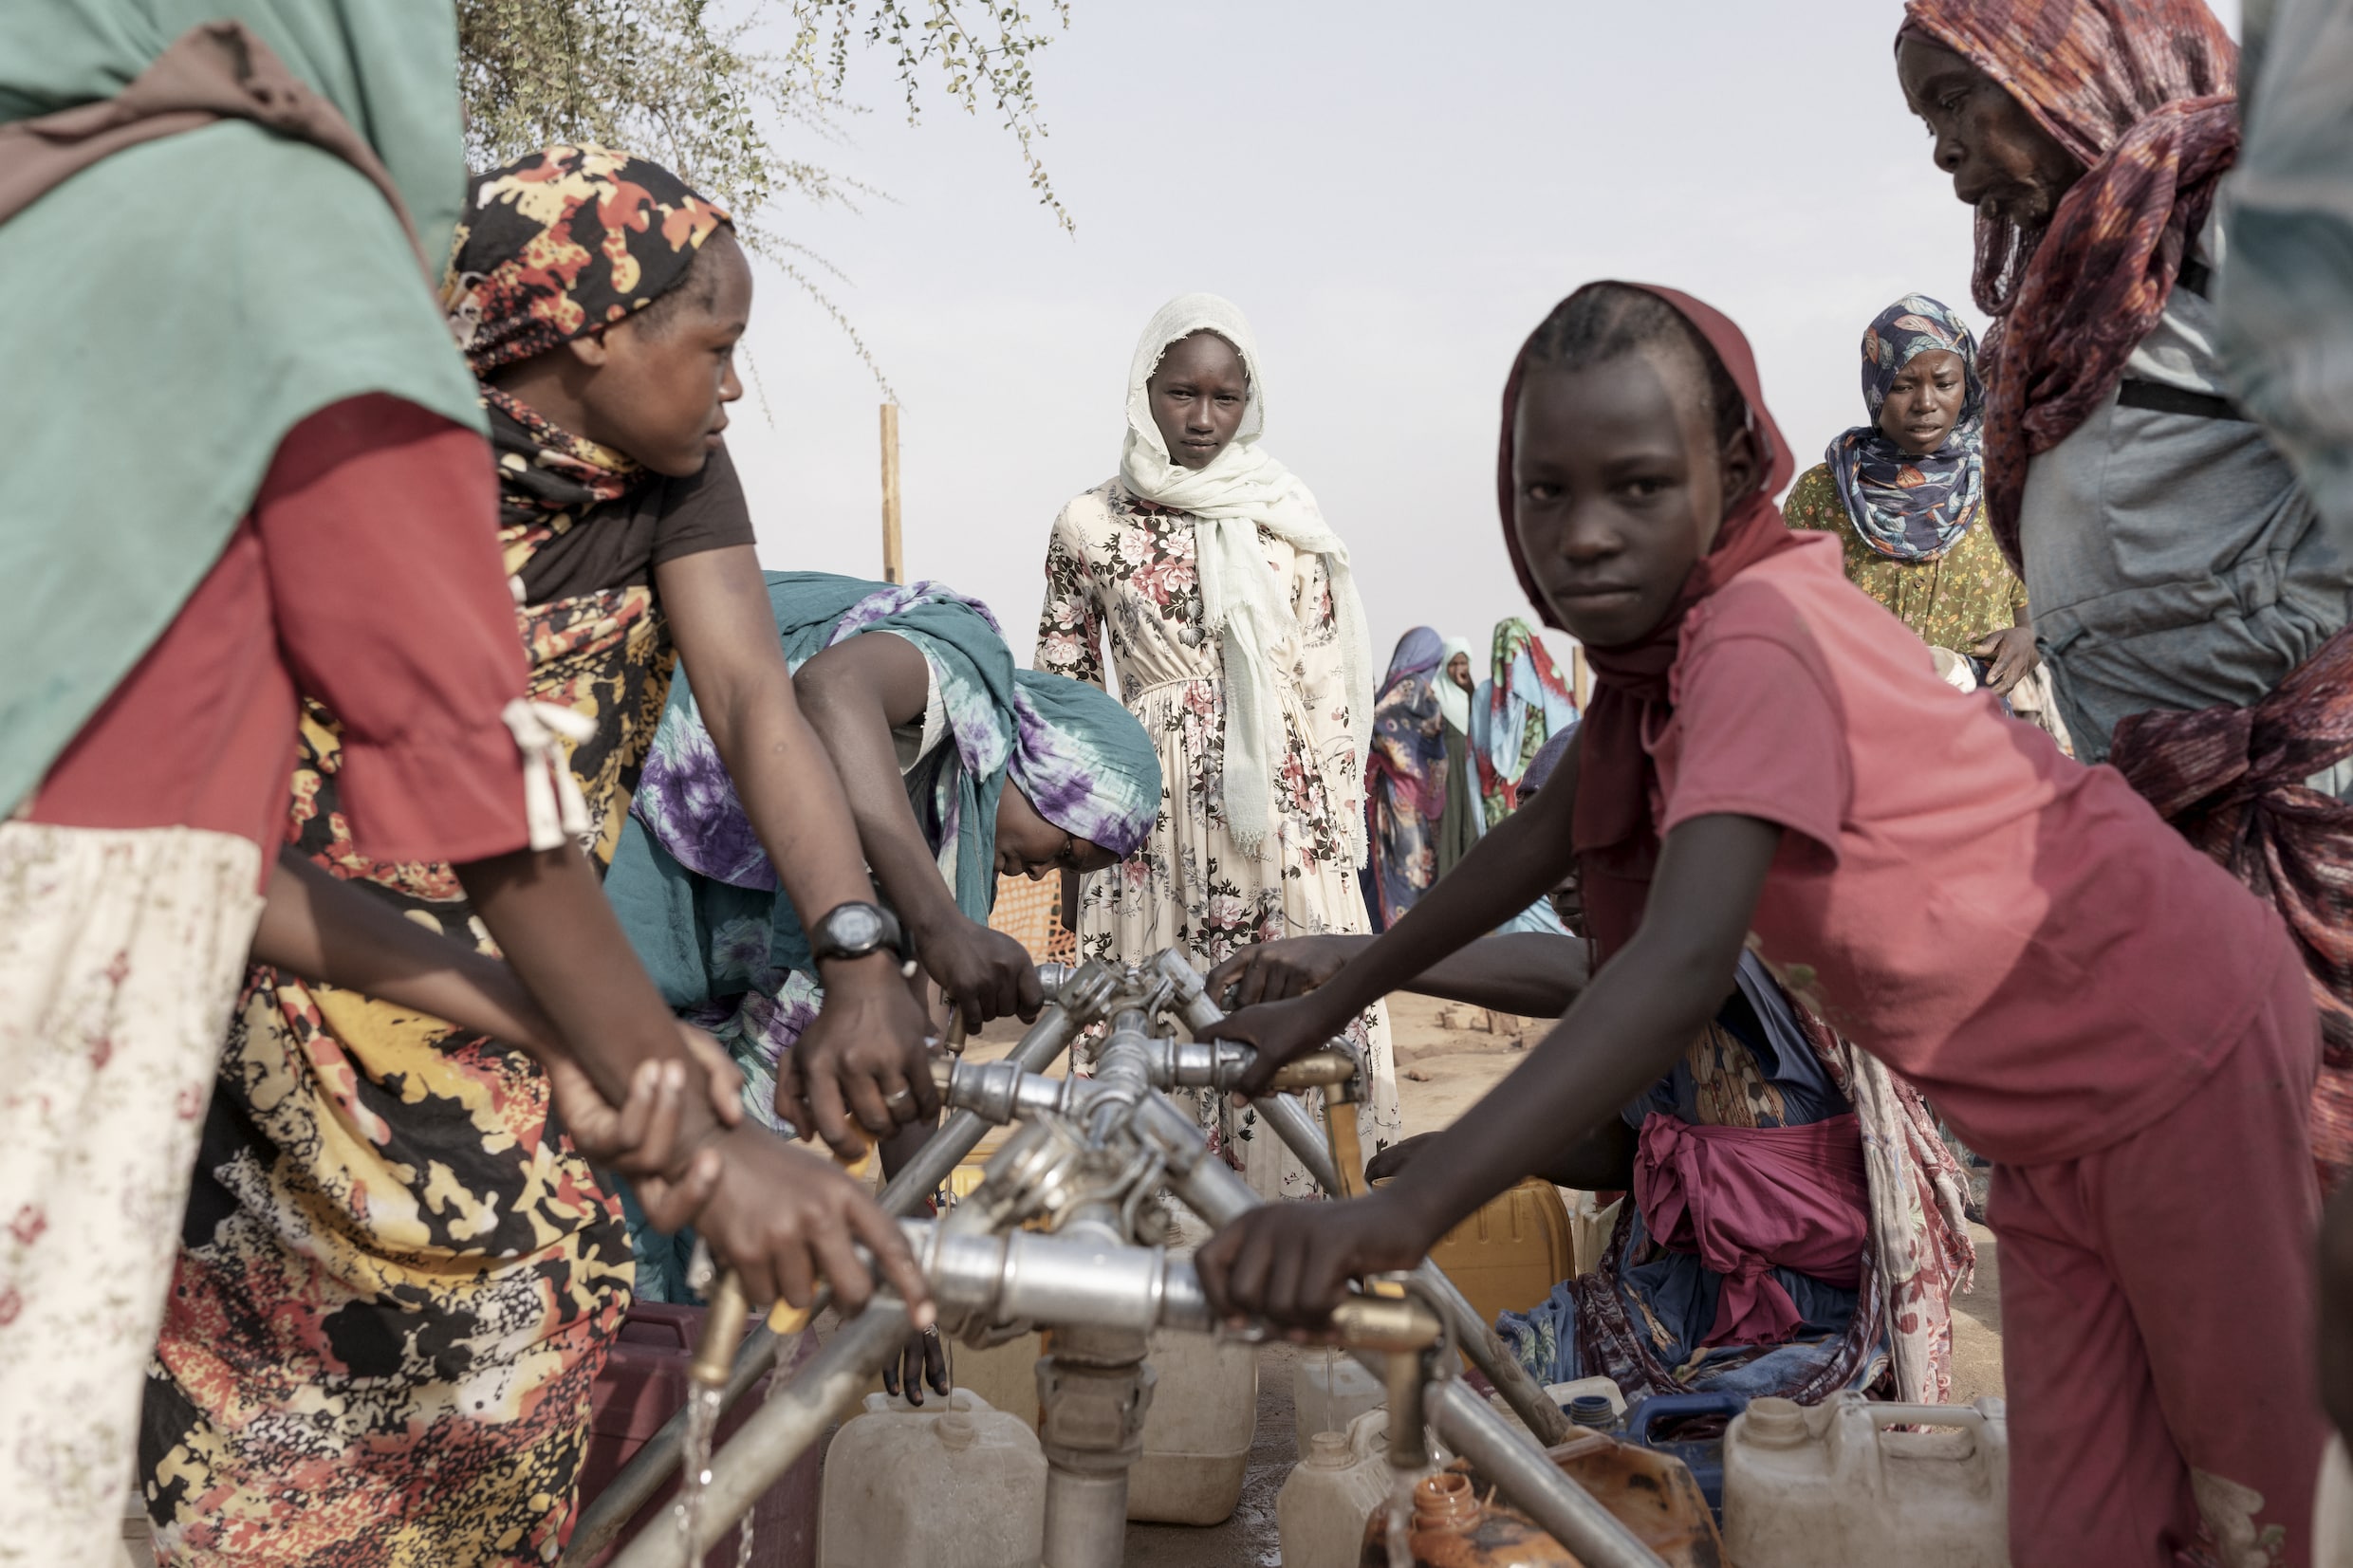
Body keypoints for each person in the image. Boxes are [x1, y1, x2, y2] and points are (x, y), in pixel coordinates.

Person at [1196, 282, 2325, 1564]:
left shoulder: (1757, 640)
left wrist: (1410, 1208)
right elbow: (1523, 845)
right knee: (2083, 1528)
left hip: (2179, 1047)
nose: (1585, 536)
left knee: (2262, 1498)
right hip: (2047, 1123)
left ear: (1732, 472)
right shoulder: (1655, 682)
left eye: (1636, 486)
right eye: (1545, 493)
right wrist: (1334, 998)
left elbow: (1674, 967)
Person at [0, 13, 925, 1567]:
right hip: (213, 1000)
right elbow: (464, 793)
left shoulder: (73, 228)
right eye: (714, 347)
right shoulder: (308, 294)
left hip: (356, 959)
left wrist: (834, 951)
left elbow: (741, 700)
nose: (739, 391)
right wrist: (694, 1130)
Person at [1897, 0, 2353, 1184]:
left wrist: (2310, 699)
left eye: (1955, 98)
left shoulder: (2242, 215)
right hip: (2167, 812)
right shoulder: (2073, 292)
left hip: (2306, 805)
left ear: (2058, 63)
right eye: (1922, 117)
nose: (1940, 146)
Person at [1213, 729, 1973, 1406]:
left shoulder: (1742, 942)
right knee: (1469, 1413)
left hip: (1809, 1321)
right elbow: (1625, 1145)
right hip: (1680, 1295)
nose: (1568, 878)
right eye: (1559, 854)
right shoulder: (1642, 1002)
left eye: (1602, 846)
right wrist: (1467, 1155)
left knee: (1664, 1478)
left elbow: (1583, 972)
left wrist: (1350, 957)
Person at [607, 571, 1161, 1287]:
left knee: (672, 1191)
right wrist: (936, 924)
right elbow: (829, 691)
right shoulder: (967, 664)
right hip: (613, 796)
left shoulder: (942, 850)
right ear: (1048, 765)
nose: (1041, 874)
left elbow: (913, 1038)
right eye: (1064, 849)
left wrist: (912, 1228)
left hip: (681, 959)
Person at [1035, 292, 1401, 1197]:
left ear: (1250, 401)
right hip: (1151, 821)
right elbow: (1066, 702)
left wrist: (1335, 842)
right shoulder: (1089, 525)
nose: (1202, 419)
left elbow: (1325, 690)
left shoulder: (1285, 518)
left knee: (1303, 1024)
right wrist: (1073, 872)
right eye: (1180, 393)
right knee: (1152, 1027)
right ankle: (1164, 1274)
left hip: (1286, 818)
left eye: (1224, 398)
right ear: (1143, 391)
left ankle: (1311, 1246)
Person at [1780, 292, 2067, 743]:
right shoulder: (1823, 494)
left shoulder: (2003, 488)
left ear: (1968, 386)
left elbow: (2039, 612)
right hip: (1849, 737)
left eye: (1944, 383)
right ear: (1876, 387)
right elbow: (1780, 614)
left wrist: (2028, 642)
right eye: (1903, 385)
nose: (1925, 403)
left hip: (1977, 739)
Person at [1363, 627, 1452, 932]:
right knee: (1403, 874)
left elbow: (1374, 727)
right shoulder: (1414, 688)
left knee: (1395, 874)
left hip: (1398, 800)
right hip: (1404, 804)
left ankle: (1389, 943)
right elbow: (1381, 728)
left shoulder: (1405, 688)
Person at [1468, 617, 1578, 829]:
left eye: (1516, 649)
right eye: (1506, 650)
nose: (1512, 659)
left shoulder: (1550, 690)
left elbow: (1568, 737)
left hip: (1544, 785)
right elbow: (1479, 751)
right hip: (1498, 793)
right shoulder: (1485, 695)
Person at [1431, 636, 1484, 884]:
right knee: (1451, 823)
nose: (1459, 669)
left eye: (1463, 663)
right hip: (1448, 769)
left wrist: (1468, 689)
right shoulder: (1436, 693)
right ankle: (1448, 886)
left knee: (1472, 822)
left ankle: (1472, 884)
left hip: (1471, 769)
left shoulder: (1474, 694)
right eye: (1453, 663)